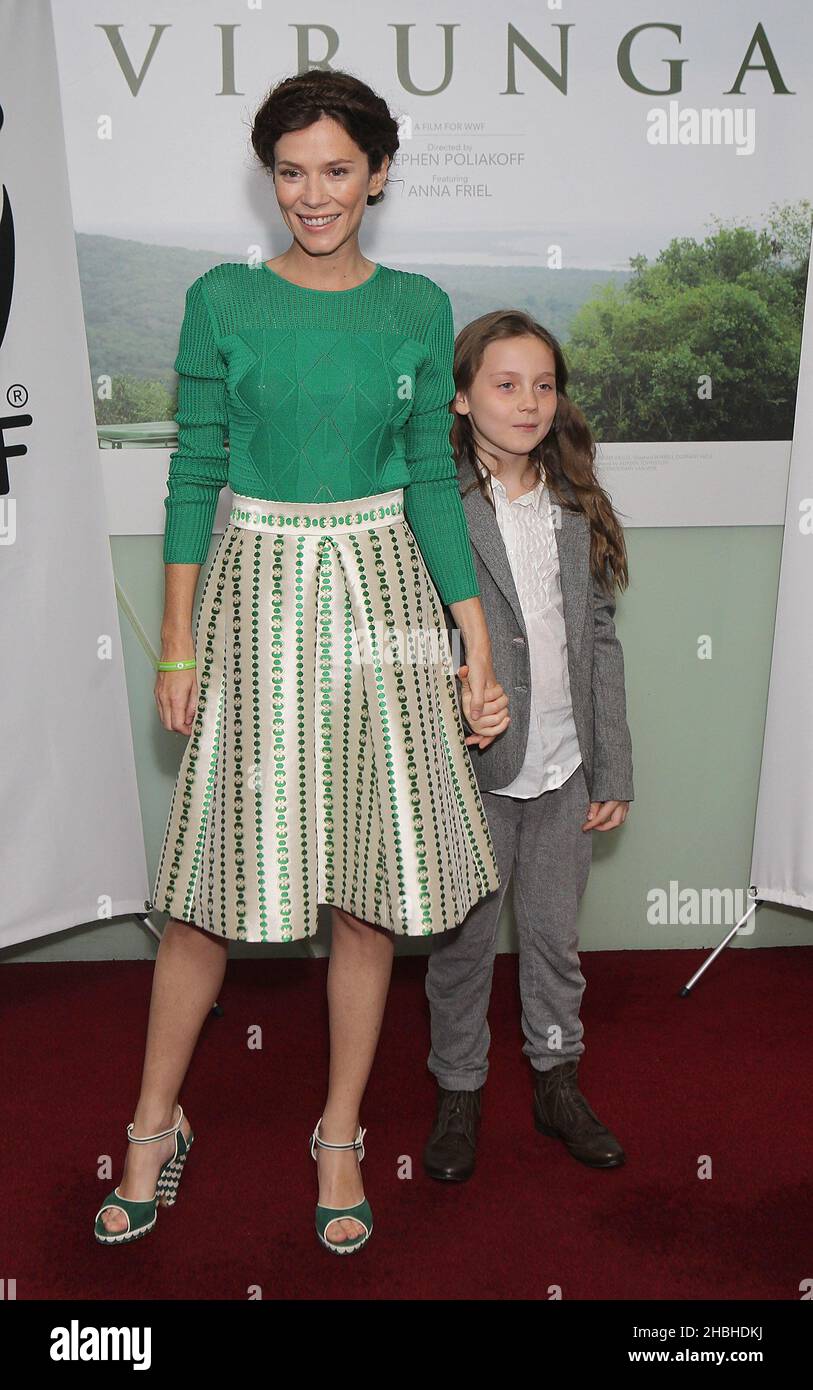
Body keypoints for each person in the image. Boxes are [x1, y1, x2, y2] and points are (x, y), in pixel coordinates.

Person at [93, 69, 508, 1255]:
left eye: (337, 170)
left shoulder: (419, 306)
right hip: (255, 591)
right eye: (290, 170)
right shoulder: (221, 296)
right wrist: (176, 642)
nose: (312, 195)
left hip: (384, 594)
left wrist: (473, 643)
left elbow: (432, 479)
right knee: (204, 894)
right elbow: (191, 472)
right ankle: (152, 1128)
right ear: (266, 176)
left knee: (370, 889)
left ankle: (339, 1138)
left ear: (378, 172)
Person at [422, 309, 634, 1181]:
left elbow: (599, 638)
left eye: (543, 385)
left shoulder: (572, 499)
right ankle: (458, 1091)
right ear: (463, 397)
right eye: (505, 384)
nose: (528, 402)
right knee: (464, 945)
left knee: (552, 938)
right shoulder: (433, 502)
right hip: (471, 769)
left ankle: (555, 1080)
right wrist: (451, 705)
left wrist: (611, 763)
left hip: (562, 762)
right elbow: (408, 638)